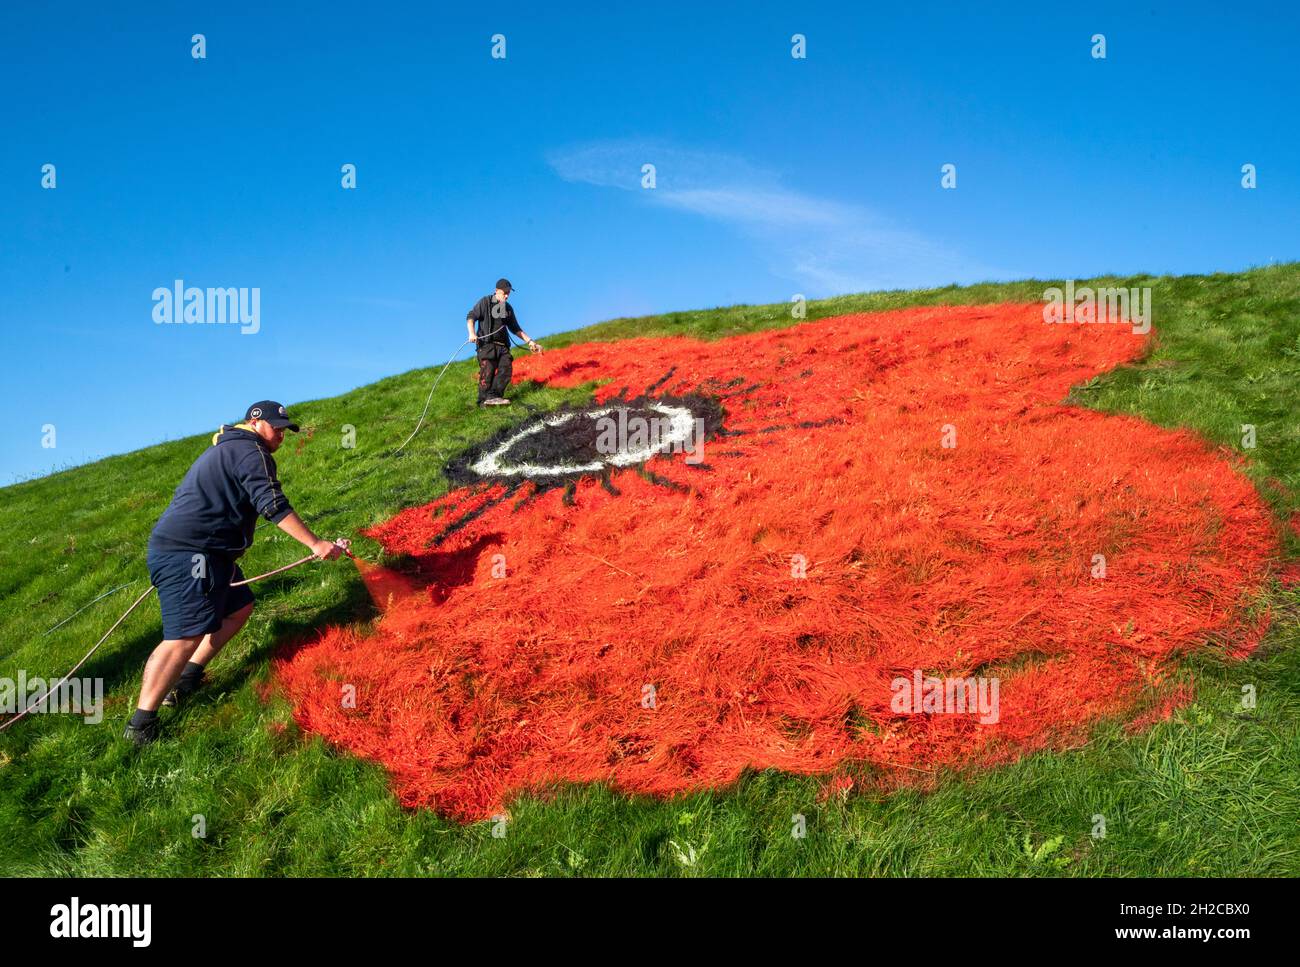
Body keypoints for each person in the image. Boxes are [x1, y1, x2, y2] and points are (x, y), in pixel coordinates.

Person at [124, 400, 345, 745]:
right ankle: (141, 725)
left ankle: (187, 677)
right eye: (276, 428)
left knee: (238, 606)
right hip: (190, 553)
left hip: (210, 554)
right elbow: (271, 504)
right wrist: (315, 544)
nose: (281, 435)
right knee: (183, 635)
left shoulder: (234, 448)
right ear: (255, 423)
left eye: (286, 430)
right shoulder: (249, 450)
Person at [466, 278, 541, 406]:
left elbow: (515, 328)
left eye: (508, 293)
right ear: (496, 291)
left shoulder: (507, 308)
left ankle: (495, 397)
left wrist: (530, 342)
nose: (506, 296)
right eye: (504, 293)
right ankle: (483, 402)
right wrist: (472, 333)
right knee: (487, 372)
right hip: (486, 345)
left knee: (506, 370)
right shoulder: (485, 302)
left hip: (503, 347)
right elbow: (471, 317)